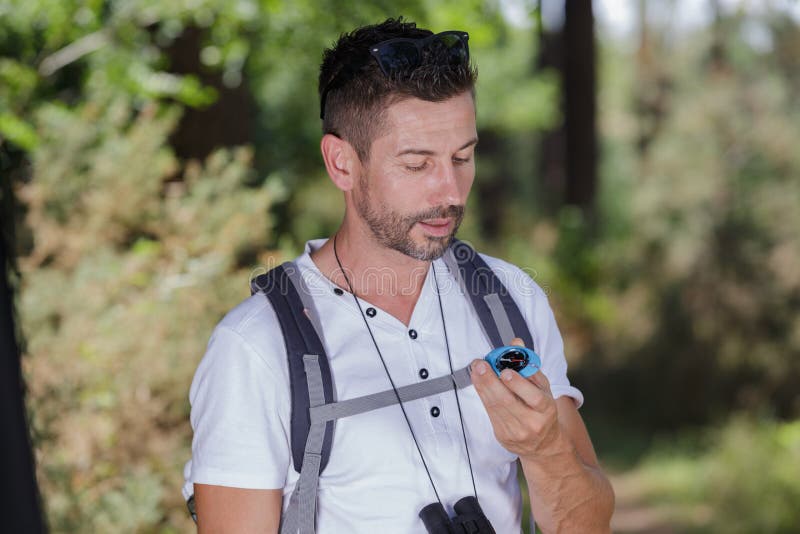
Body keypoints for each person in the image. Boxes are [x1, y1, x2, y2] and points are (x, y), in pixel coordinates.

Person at [182, 17, 614, 534]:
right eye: (416, 164)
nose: (450, 191)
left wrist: (545, 451)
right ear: (341, 163)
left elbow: (588, 526)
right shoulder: (253, 348)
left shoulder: (511, 300)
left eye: (463, 157)